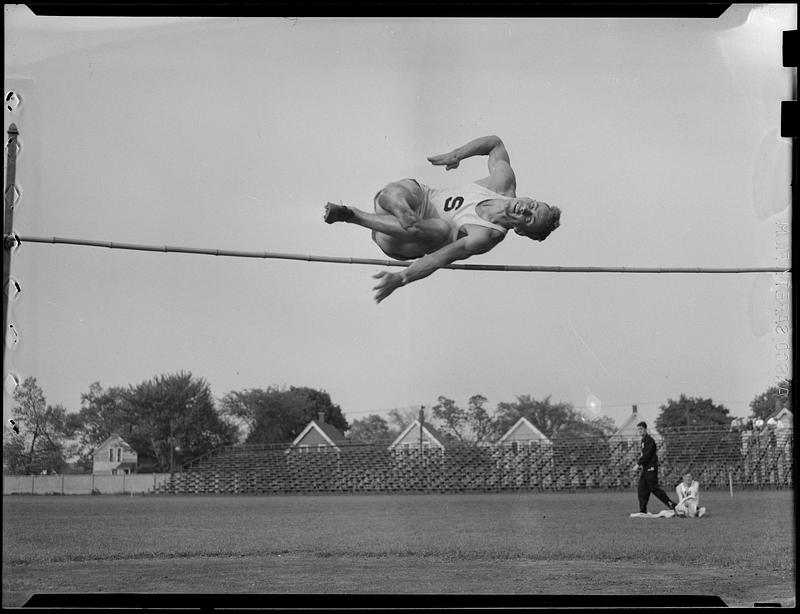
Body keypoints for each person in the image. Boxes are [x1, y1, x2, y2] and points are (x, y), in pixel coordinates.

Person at [324, 135, 561, 303]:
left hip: (403, 239)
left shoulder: (486, 235)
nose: (525, 209)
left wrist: (401, 277)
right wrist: (456, 155)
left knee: (442, 229)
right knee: (411, 190)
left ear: (520, 231)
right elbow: (495, 143)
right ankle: (398, 206)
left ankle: (352, 215)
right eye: (532, 205)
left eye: (529, 219)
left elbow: (438, 258)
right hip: (415, 202)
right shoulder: (503, 182)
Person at [636, 421, 677, 514]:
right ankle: (643, 511)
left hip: (651, 468)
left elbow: (647, 455)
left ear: (645, 429)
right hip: (645, 469)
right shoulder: (643, 440)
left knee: (654, 489)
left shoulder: (649, 440)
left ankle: (672, 504)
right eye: (638, 429)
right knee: (642, 489)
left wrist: (638, 464)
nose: (640, 431)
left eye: (641, 429)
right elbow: (643, 454)